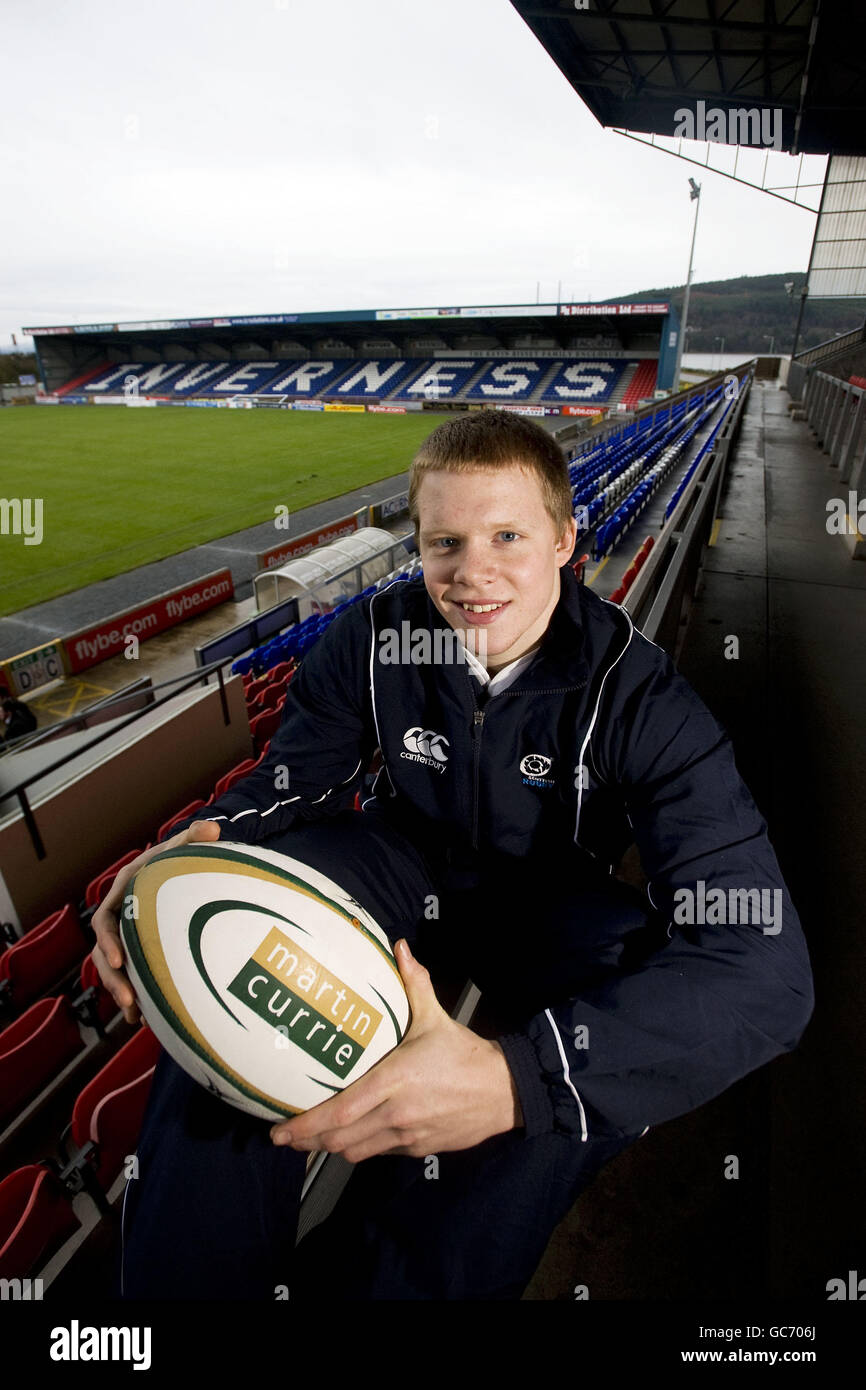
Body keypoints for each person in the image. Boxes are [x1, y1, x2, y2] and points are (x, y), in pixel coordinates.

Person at [92, 410, 814, 1301]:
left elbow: (766, 970)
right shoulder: (370, 640)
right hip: (397, 866)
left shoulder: (644, 699)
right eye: (445, 542)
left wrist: (518, 1080)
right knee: (239, 932)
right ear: (420, 548)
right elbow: (290, 783)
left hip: (546, 903)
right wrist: (190, 860)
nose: (473, 573)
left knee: (621, 991)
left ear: (564, 540)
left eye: (508, 534)